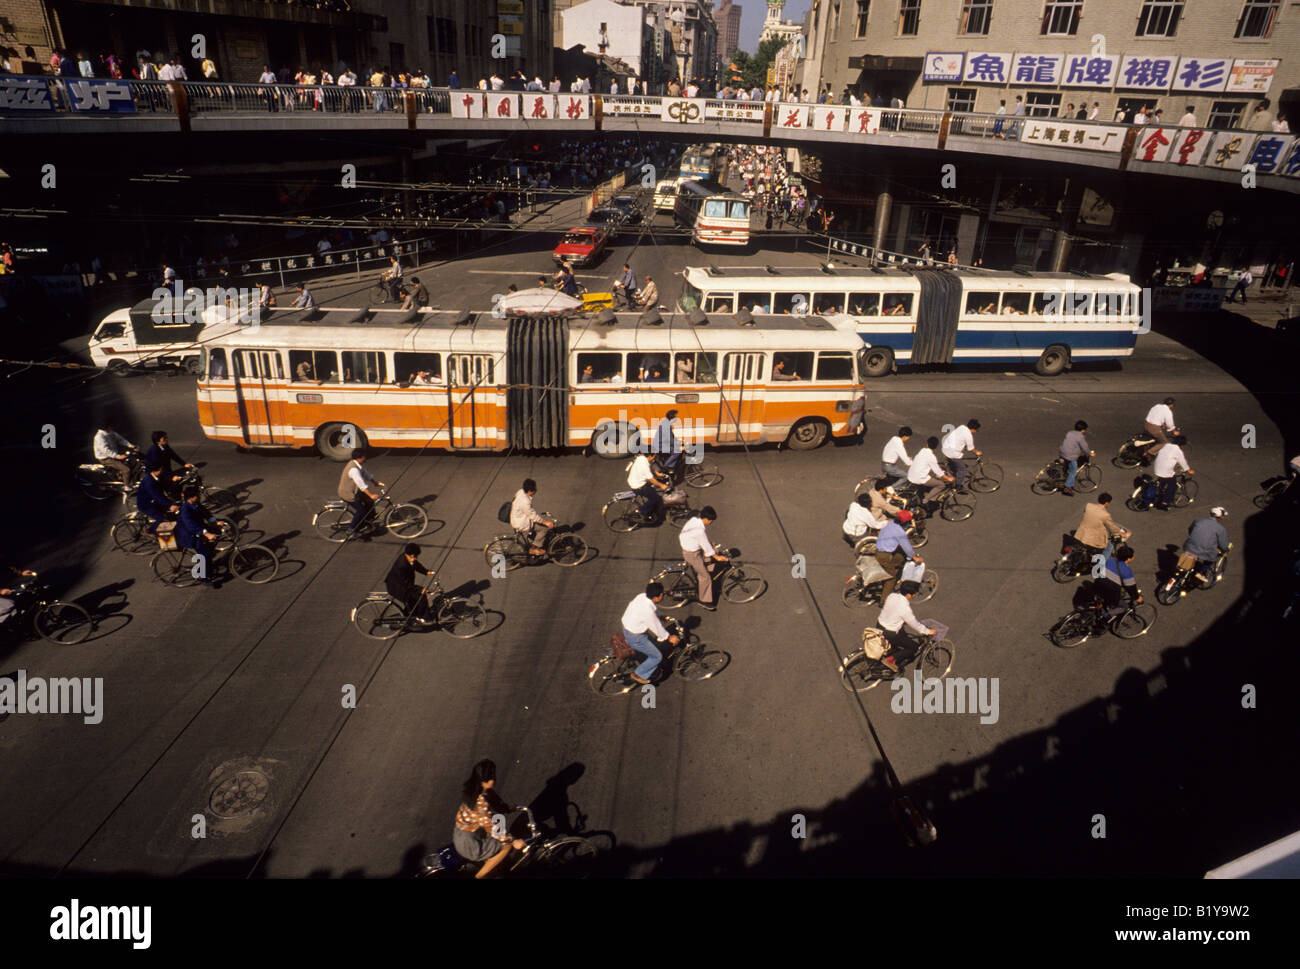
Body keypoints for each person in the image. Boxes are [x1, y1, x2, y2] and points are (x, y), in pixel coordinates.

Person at [453, 759, 528, 878]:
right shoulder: (479, 803)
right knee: (506, 846)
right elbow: (490, 826)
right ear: (484, 780)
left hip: (464, 832)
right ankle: (480, 876)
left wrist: (507, 808)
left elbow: (495, 801)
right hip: (469, 843)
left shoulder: (475, 789)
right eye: (491, 777)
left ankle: (491, 860)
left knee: (499, 819)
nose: (494, 779)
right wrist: (513, 841)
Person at [621, 581, 680, 684]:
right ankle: (638, 674)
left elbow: (652, 609)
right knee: (657, 656)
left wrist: (660, 616)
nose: (663, 596)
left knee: (654, 645)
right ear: (657, 597)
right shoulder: (648, 612)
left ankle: (646, 661)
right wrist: (669, 637)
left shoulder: (642, 596)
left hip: (628, 628)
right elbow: (657, 628)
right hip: (636, 637)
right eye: (662, 594)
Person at [877, 581, 937, 673]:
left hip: (880, 625)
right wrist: (928, 631)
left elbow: (890, 609)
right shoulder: (905, 608)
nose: (915, 595)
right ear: (909, 595)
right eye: (915, 593)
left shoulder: (892, 596)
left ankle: (892, 650)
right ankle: (890, 660)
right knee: (913, 647)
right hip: (890, 632)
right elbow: (915, 624)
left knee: (902, 635)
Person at [679, 506, 727, 611]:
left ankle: (703, 574)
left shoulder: (694, 520)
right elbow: (707, 548)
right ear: (706, 519)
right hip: (692, 554)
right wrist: (717, 557)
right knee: (705, 577)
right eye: (711, 521)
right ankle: (704, 601)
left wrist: (710, 545)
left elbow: (702, 542)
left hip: (688, 546)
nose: (711, 523)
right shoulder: (700, 531)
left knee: (710, 554)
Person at [176, 485, 221, 586]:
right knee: (205, 554)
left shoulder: (195, 504)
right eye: (197, 495)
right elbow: (191, 526)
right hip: (190, 535)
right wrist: (206, 534)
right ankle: (204, 578)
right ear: (191, 497)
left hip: (198, 530)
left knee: (210, 547)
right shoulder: (185, 510)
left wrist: (214, 521)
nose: (199, 496)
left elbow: (205, 512)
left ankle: (207, 566)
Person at [338, 448, 385, 539]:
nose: (366, 457)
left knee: (370, 502)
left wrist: (374, 482)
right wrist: (371, 494)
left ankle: (367, 522)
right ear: (360, 457)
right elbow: (361, 485)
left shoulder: (357, 464)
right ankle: (351, 530)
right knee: (361, 510)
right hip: (348, 494)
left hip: (354, 491)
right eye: (364, 456)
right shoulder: (353, 470)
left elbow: (365, 473)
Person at [874, 510, 921, 599]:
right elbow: (907, 547)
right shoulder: (900, 532)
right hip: (883, 556)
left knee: (899, 556)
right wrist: (914, 557)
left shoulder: (890, 523)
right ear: (904, 522)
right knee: (892, 578)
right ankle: (884, 600)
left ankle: (894, 567)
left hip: (879, 549)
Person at [1073, 492, 1130, 563]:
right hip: (1092, 538)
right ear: (1106, 503)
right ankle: (1100, 565)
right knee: (1109, 546)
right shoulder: (1105, 515)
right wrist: (1121, 533)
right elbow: (1112, 527)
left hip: (1081, 533)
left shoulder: (1088, 505)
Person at [385, 543, 435, 623]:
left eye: (415, 556)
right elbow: (406, 584)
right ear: (407, 554)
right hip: (397, 588)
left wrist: (426, 572)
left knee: (414, 598)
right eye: (412, 557)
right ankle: (423, 618)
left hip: (402, 585)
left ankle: (412, 615)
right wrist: (420, 590)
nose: (414, 559)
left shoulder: (408, 558)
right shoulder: (401, 565)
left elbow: (416, 565)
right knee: (420, 597)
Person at [1183, 507, 1230, 584]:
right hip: (1203, 551)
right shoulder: (1221, 529)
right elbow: (1223, 545)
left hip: (1188, 546)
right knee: (1211, 558)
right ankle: (1201, 572)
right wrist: (1226, 550)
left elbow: (1190, 530)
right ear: (1220, 517)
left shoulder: (1198, 520)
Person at [511, 479, 556, 557]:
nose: (536, 490)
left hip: (518, 517)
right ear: (530, 491)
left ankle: (533, 540)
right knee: (544, 529)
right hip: (521, 522)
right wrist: (546, 522)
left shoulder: (521, 492)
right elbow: (533, 516)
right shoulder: (524, 501)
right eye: (535, 489)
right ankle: (534, 548)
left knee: (538, 525)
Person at [905, 436, 953, 509]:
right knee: (941, 484)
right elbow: (938, 472)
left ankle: (926, 495)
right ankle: (926, 499)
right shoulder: (931, 457)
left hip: (911, 475)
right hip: (919, 478)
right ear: (936, 447)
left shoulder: (922, 450)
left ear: (927, 444)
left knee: (931, 479)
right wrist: (948, 478)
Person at [1151, 433, 1193, 511]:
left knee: (1163, 481)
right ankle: (1165, 503)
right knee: (1173, 486)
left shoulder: (1167, 445)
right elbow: (1182, 461)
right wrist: (1188, 470)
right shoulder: (1177, 450)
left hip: (1157, 467)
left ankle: (1160, 493)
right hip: (1165, 470)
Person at [627, 450, 671, 523]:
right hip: (638, 486)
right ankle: (641, 511)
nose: (655, 457)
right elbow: (652, 480)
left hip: (633, 480)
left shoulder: (641, 458)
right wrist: (662, 485)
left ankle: (651, 510)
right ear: (650, 455)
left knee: (653, 491)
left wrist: (656, 473)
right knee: (655, 499)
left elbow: (648, 467)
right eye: (654, 456)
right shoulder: (644, 466)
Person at [145, 430, 195, 495]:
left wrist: (184, 464)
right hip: (157, 474)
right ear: (158, 441)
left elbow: (173, 455)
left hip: (166, 470)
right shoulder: (154, 451)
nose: (167, 439)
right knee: (175, 485)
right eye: (164, 438)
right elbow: (159, 467)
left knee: (179, 483)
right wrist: (170, 477)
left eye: (166, 437)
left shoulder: (165, 446)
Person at [1097, 546, 1141, 617]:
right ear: (1128, 558)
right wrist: (1137, 597)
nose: (1134, 557)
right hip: (1108, 591)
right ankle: (1105, 616)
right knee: (1124, 607)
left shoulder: (1109, 560)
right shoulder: (1127, 571)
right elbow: (1131, 588)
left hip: (1098, 584)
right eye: (1133, 556)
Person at [940, 419, 982, 491]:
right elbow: (971, 448)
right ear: (973, 429)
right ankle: (959, 486)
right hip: (952, 453)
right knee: (962, 468)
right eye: (976, 430)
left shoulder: (961, 427)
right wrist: (977, 452)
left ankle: (951, 473)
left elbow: (959, 438)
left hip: (945, 448)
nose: (975, 432)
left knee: (954, 466)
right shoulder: (969, 436)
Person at [137, 463, 178, 534]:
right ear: (157, 471)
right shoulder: (149, 482)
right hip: (146, 505)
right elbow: (156, 496)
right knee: (162, 519)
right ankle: (150, 530)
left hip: (154, 501)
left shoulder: (155, 476)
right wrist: (170, 505)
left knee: (169, 513)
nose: (162, 471)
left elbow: (164, 483)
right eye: (161, 469)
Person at [1058, 420, 1094, 496]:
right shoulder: (1080, 437)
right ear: (1083, 430)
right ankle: (1067, 488)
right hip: (1070, 456)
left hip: (1062, 453)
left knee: (1065, 465)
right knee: (1073, 471)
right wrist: (1090, 453)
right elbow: (1085, 448)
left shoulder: (1069, 433)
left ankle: (1065, 473)